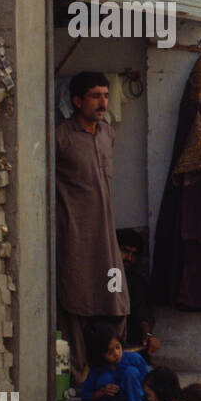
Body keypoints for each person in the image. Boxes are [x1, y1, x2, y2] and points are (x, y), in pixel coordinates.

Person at [56, 72, 129, 383]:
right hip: (74, 233)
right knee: (76, 299)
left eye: (105, 95)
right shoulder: (59, 137)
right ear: (77, 101)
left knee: (116, 298)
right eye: (95, 96)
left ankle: (112, 366)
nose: (103, 102)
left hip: (106, 234)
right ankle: (78, 374)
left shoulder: (107, 134)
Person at [78, 322, 150, 401]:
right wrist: (102, 392)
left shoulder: (134, 359)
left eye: (118, 347)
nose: (116, 353)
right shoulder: (97, 369)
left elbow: (149, 382)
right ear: (99, 354)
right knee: (103, 379)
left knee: (131, 372)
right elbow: (86, 394)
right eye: (110, 352)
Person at [116, 228, 159, 361]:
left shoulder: (137, 280)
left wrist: (148, 334)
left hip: (130, 343)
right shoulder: (106, 276)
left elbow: (142, 311)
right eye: (125, 251)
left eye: (134, 254)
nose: (129, 258)